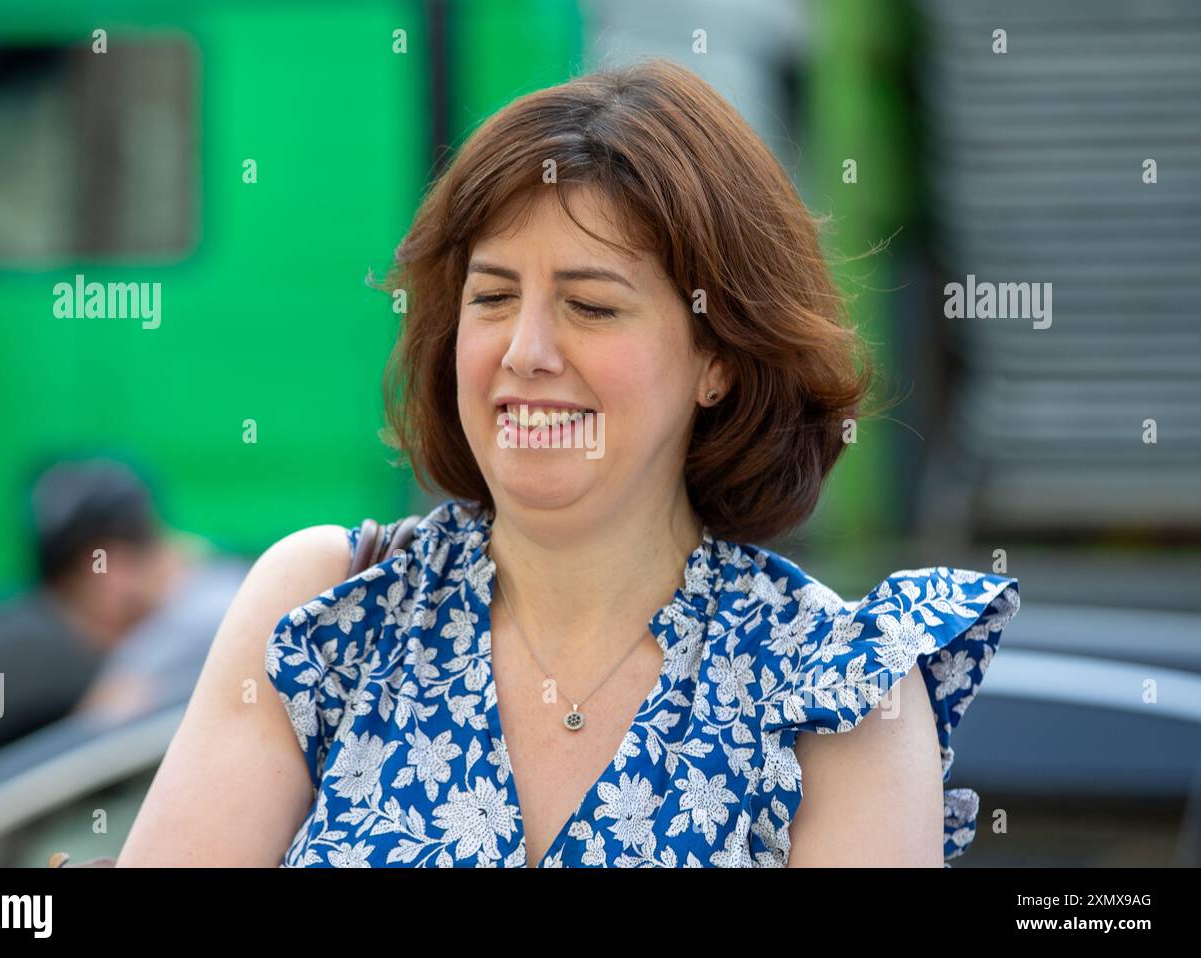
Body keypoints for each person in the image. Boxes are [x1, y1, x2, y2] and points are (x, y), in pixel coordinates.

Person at [118, 56, 1021, 868]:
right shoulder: (329, 605)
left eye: (591, 305)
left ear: (718, 359)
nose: (526, 351)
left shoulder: (839, 685)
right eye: (494, 296)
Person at [0, 458, 182, 797]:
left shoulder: (23, 628)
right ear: (110, 568)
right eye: (155, 547)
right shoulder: (64, 661)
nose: (174, 563)